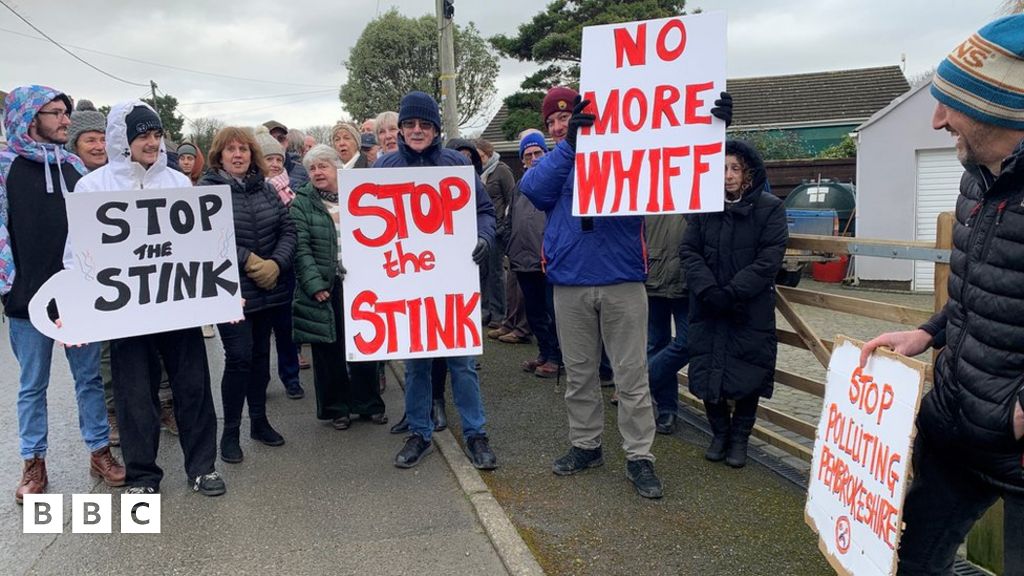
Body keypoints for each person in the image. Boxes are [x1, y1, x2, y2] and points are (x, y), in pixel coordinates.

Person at [859, 15, 1024, 574]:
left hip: (1017, 451)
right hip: (953, 425)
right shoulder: (975, 177)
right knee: (911, 564)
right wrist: (929, 331)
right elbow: (990, 291)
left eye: (950, 104)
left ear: (1000, 108)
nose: (936, 121)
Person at [75, 100, 225, 496]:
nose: (152, 142)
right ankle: (143, 477)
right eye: (144, 134)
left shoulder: (176, 182)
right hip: (126, 314)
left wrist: (223, 293)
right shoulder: (93, 186)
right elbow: (77, 254)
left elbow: (204, 246)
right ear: (123, 139)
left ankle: (202, 467)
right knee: (134, 396)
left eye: (157, 134)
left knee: (192, 388)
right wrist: (74, 310)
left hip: (178, 308)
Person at [518, 86, 663, 498]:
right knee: (579, 375)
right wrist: (571, 148)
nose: (560, 125)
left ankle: (640, 457)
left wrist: (710, 129)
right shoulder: (554, 163)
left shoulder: (626, 155)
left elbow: (675, 164)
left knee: (632, 377)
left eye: (566, 117)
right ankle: (586, 445)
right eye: (553, 121)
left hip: (621, 279)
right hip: (570, 282)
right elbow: (533, 189)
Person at [1, 85, 125, 503]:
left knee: (88, 378)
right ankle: (33, 462)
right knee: (32, 384)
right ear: (28, 117)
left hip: (78, 298)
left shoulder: (74, 166)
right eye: (55, 113)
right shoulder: (5, 166)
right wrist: (9, 286)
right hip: (26, 300)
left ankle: (99, 450)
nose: (65, 120)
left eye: (65, 112)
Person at [376, 91, 498, 471]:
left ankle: (476, 433)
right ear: (400, 129)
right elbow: (364, 228)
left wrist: (484, 238)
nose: (416, 130)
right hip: (409, 285)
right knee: (416, 366)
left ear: (435, 128)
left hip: (451, 283)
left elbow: (485, 212)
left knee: (461, 363)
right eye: (409, 124)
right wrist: (353, 264)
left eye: (424, 124)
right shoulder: (383, 169)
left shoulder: (456, 167)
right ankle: (419, 432)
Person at [680, 139, 786, 469]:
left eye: (734, 168)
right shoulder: (702, 208)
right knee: (709, 369)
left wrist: (733, 293)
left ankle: (740, 439)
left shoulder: (770, 208)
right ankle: (719, 433)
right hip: (708, 305)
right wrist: (710, 291)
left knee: (748, 372)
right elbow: (689, 252)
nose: (727, 175)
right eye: (722, 168)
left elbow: (769, 258)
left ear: (748, 174)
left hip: (748, 308)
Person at [199, 126, 297, 464]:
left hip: (269, 286)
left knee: (259, 358)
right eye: (231, 150)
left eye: (243, 149)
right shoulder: (206, 191)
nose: (238, 155)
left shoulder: (267, 189)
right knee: (239, 357)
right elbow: (205, 237)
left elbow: (288, 229)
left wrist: (276, 264)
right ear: (219, 155)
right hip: (231, 289)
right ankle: (230, 432)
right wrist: (247, 259)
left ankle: (259, 421)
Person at [291, 144, 386, 429]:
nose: (318, 172)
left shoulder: (360, 195)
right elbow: (300, 248)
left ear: (337, 168)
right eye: (312, 168)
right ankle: (337, 410)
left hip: (361, 284)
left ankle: (368, 404)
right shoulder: (301, 203)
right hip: (325, 286)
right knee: (328, 351)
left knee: (365, 345)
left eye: (323, 166)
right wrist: (315, 284)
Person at [254, 128, 305, 400]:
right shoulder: (252, 190)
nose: (274, 164)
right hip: (256, 272)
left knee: (287, 330)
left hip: (286, 269)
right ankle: (260, 381)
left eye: (278, 159)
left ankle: (291, 377)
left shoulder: (292, 191)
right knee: (260, 335)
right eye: (268, 159)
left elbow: (293, 230)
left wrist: (280, 259)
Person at [509, 131, 562, 378]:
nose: (533, 158)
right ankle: (544, 352)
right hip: (522, 259)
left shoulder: (554, 180)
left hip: (546, 259)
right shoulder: (519, 187)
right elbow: (510, 218)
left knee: (553, 312)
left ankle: (556, 358)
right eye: (528, 155)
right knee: (535, 312)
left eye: (537, 153)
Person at [475, 138, 514, 330]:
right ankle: (485, 310)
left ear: (489, 154)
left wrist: (503, 226)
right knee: (482, 273)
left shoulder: (501, 171)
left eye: (481, 156)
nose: (479, 160)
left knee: (496, 273)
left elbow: (511, 198)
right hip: (481, 232)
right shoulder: (477, 174)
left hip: (497, 231)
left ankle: (500, 314)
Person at [263, 120, 308, 189]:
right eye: (270, 138)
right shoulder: (249, 173)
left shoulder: (303, 172)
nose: (276, 143)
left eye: (281, 139)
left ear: (287, 142)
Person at [65, 99, 106, 171]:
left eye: (103, 140)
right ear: (73, 145)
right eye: (91, 141)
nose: (100, 147)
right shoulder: (62, 177)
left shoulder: (121, 175)